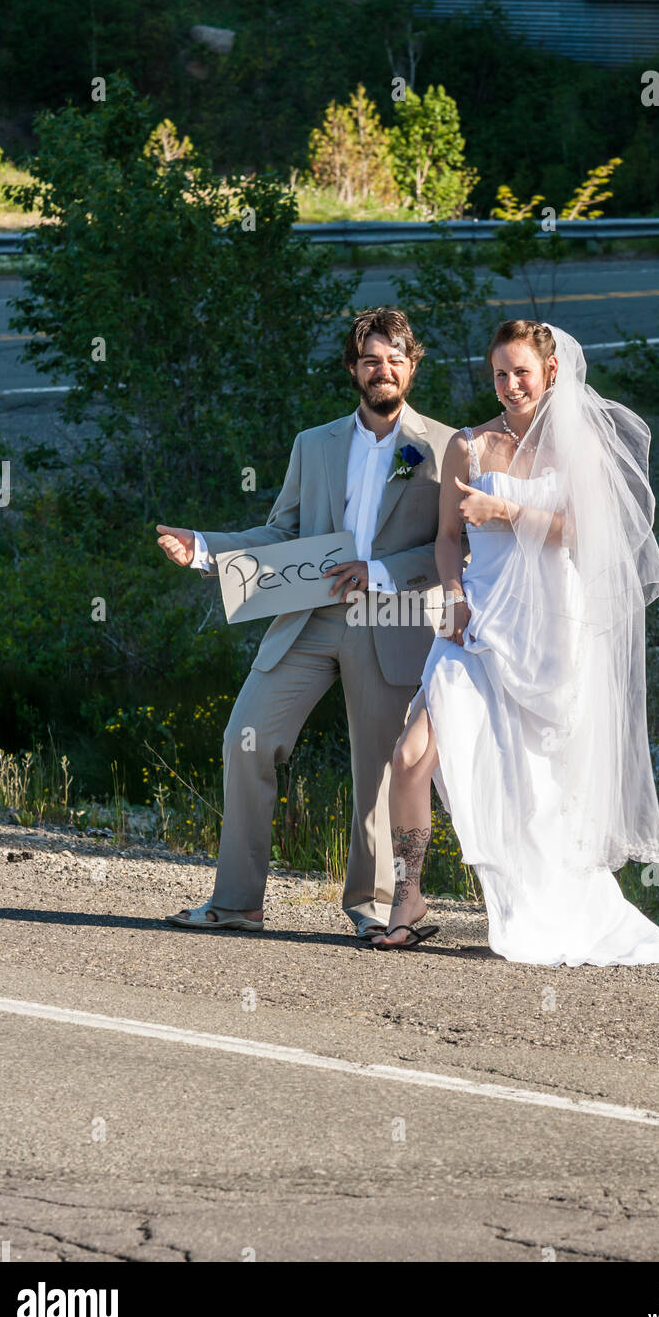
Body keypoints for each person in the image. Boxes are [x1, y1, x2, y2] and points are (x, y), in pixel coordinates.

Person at [372, 320, 659, 967]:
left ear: (550, 373)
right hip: (477, 626)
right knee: (410, 756)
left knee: (535, 787)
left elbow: (587, 533)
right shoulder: (467, 447)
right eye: (499, 373)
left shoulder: (576, 450)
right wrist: (453, 594)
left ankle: (548, 903)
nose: (510, 384)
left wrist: (509, 513)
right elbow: (446, 539)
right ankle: (406, 897)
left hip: (548, 633)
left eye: (521, 371)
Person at [157, 308, 457, 940]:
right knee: (247, 737)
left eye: (396, 359)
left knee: (379, 768)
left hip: (393, 618)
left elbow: (447, 546)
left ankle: (376, 908)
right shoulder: (313, 443)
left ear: (412, 365)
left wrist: (378, 570)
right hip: (308, 619)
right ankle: (237, 902)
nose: (384, 370)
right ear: (353, 368)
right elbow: (282, 532)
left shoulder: (442, 447)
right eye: (371, 359)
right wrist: (209, 548)